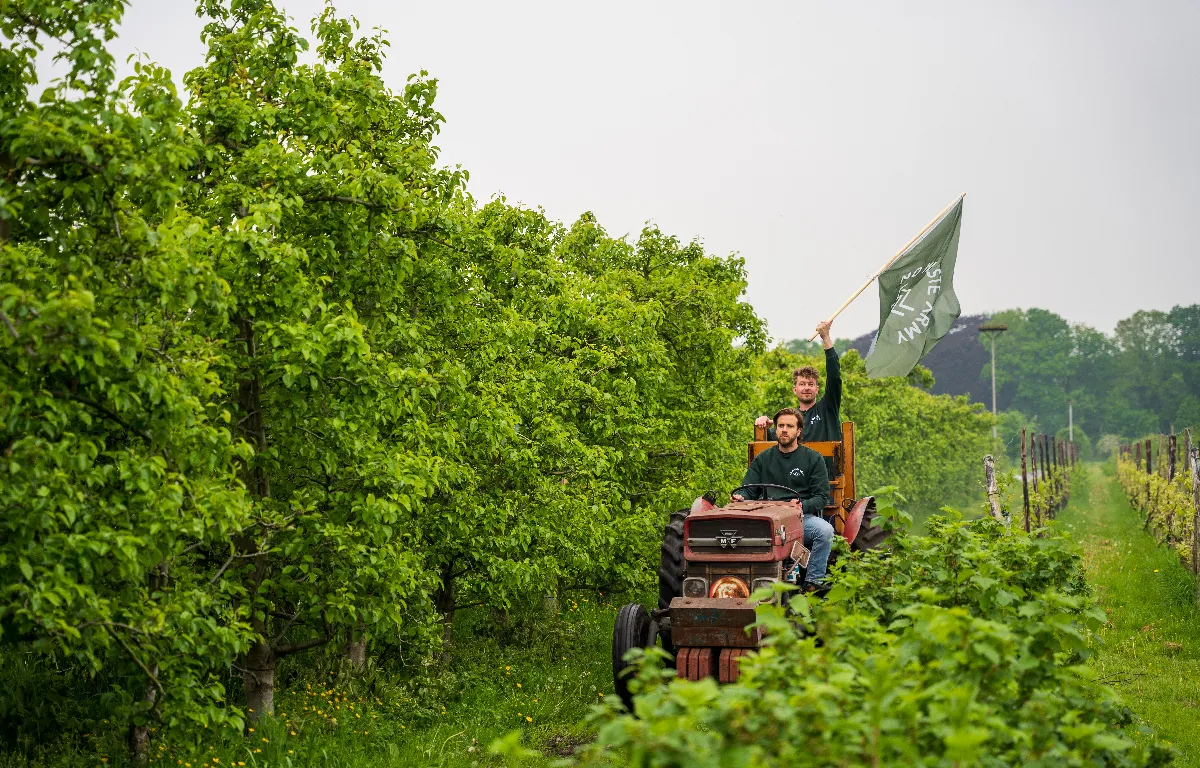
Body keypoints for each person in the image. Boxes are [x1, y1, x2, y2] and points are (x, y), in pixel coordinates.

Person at [733, 408, 833, 591]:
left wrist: (803, 505)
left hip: (799, 519)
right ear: (776, 430)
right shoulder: (763, 458)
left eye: (789, 426)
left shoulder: (814, 459)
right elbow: (749, 489)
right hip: (766, 518)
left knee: (824, 531)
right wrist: (741, 497)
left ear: (799, 431)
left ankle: (813, 582)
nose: (784, 430)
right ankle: (740, 582)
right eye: (780, 426)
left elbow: (821, 497)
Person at [755, 320, 842, 443]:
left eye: (811, 384)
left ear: (817, 389)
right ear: (795, 390)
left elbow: (834, 377)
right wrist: (763, 424)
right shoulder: (790, 419)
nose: (806, 388)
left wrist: (826, 338)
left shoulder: (827, 408)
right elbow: (770, 442)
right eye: (802, 384)